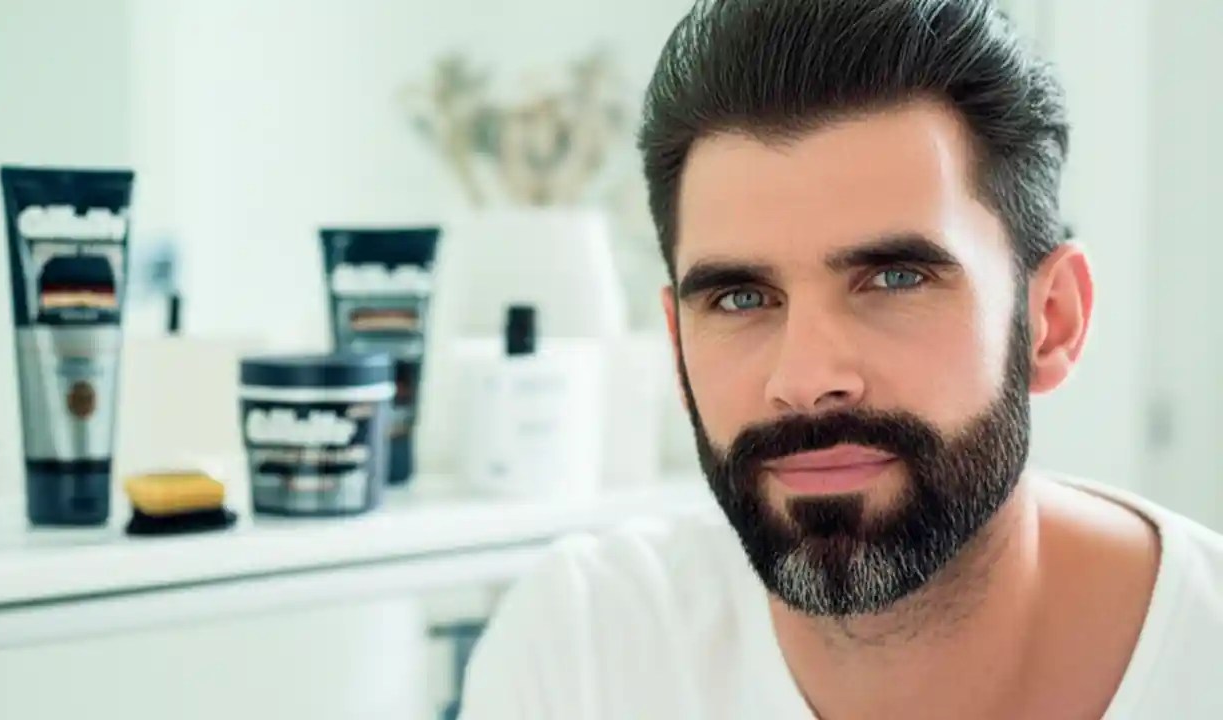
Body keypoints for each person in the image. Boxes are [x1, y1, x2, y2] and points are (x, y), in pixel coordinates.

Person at [459, 1, 1223, 717]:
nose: (805, 380)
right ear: (678, 344)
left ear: (1051, 322)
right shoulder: (581, 651)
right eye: (739, 298)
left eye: (895, 280)